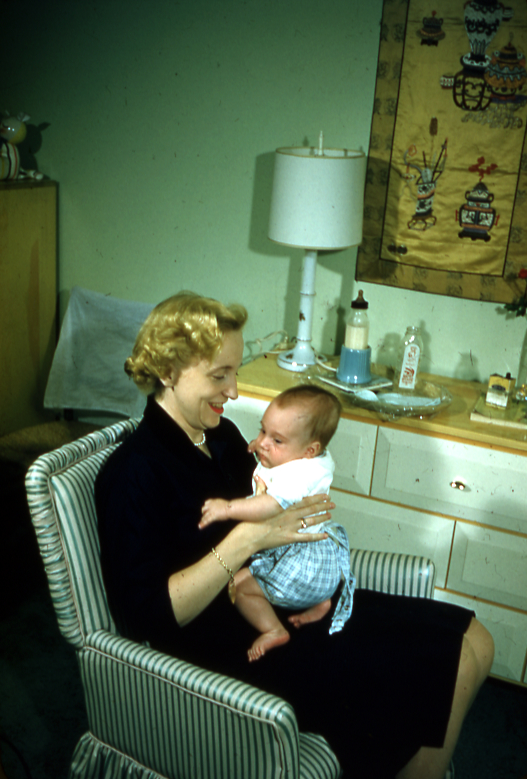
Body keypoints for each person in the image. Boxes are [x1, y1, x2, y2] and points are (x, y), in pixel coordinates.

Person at [96, 291, 494, 779]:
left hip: (281, 598)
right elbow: (148, 619)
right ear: (168, 370)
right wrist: (247, 539)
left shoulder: (218, 436)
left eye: (235, 372)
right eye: (220, 375)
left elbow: (282, 501)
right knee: (446, 664)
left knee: (476, 637)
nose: (235, 391)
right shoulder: (133, 471)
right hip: (232, 646)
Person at [199, 385, 356, 662]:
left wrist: (227, 508)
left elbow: (268, 506)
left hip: (298, 564)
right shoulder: (311, 458)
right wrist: (265, 445)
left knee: (241, 586)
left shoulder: (297, 477)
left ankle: (273, 629)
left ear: (310, 449)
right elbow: (276, 454)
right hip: (321, 564)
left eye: (277, 440)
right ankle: (321, 601)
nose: (262, 443)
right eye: (262, 431)